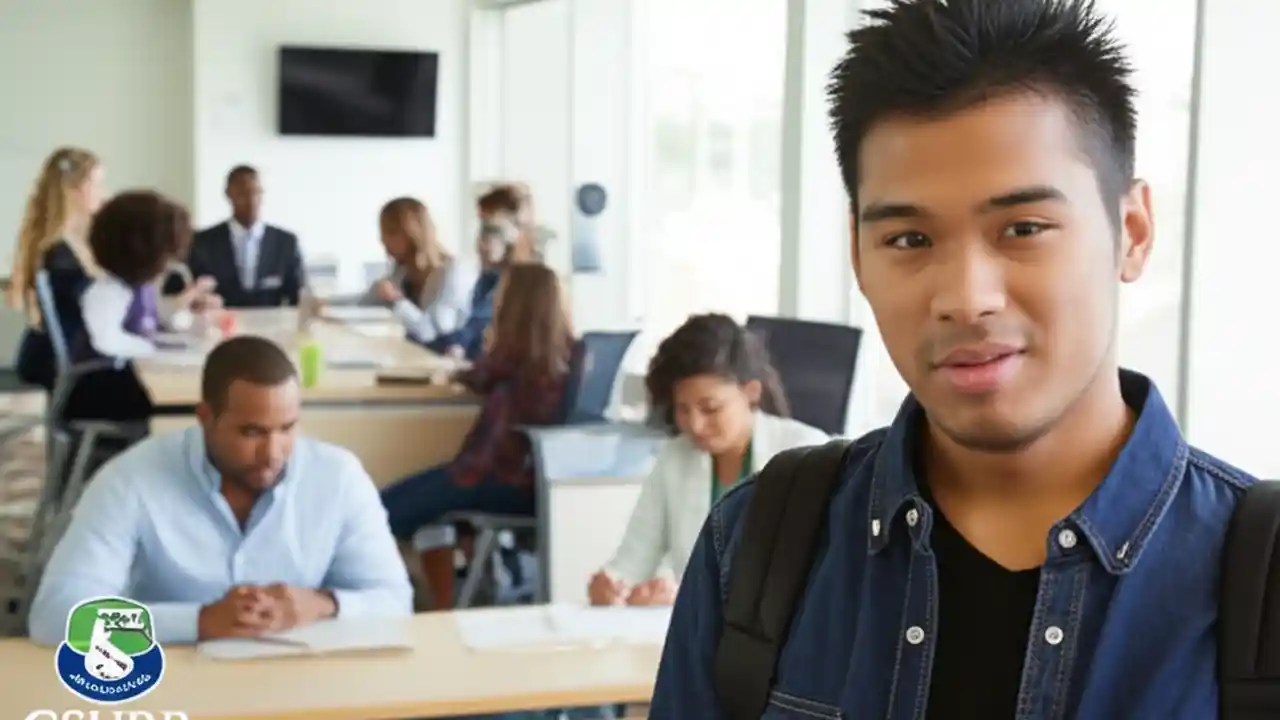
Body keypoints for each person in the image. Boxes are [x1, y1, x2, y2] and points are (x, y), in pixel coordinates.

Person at [651, 1, 1257, 718]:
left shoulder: (1257, 580)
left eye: (1024, 228)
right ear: (858, 254)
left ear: (1131, 231)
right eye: (909, 240)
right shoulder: (757, 546)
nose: (966, 299)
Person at [29, 336, 413, 645]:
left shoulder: (338, 476)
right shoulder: (131, 480)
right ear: (205, 418)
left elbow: (396, 600)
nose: (273, 453)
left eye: (287, 428)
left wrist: (322, 604)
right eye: (252, 432)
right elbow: (57, 615)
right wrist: (197, 621)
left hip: (300, 688)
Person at [588, 314, 827, 607]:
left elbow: (808, 578)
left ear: (751, 392)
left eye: (710, 408)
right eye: (683, 410)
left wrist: (686, 597)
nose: (696, 425)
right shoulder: (676, 457)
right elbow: (632, 560)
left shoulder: (806, 453)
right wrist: (612, 586)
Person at [381, 264, 572, 609]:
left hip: (491, 479)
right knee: (418, 507)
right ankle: (440, 599)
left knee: (382, 510)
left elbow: (476, 374)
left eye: (501, 298)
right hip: (523, 481)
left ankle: (418, 605)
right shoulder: (566, 356)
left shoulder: (516, 358)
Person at [64, 191, 193, 422]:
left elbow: (153, 323)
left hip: (128, 380)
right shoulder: (107, 291)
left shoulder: (140, 288)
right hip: (100, 392)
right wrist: (152, 349)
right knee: (185, 404)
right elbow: (106, 340)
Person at [9, 148, 103, 390]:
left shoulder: (69, 244)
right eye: (96, 184)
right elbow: (90, 306)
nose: (102, 194)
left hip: (56, 352)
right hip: (59, 359)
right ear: (75, 190)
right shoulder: (59, 254)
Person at [338, 197, 479, 344]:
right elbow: (363, 302)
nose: (383, 240)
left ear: (411, 233)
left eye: (390, 232)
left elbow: (433, 334)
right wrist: (325, 304)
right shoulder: (403, 269)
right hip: (417, 354)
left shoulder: (454, 271)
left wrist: (396, 300)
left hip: (446, 358)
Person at [168, 165, 307, 308]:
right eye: (243, 194)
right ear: (229, 194)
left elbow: (299, 297)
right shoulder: (202, 242)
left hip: (272, 324)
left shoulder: (285, 243)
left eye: (257, 193)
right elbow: (179, 294)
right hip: (217, 323)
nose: (252, 201)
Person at [424, 185, 526, 360]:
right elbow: (473, 324)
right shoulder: (488, 276)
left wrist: (457, 345)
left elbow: (480, 322)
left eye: (491, 230)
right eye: (482, 230)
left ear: (513, 233)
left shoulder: (524, 280)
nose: (481, 242)